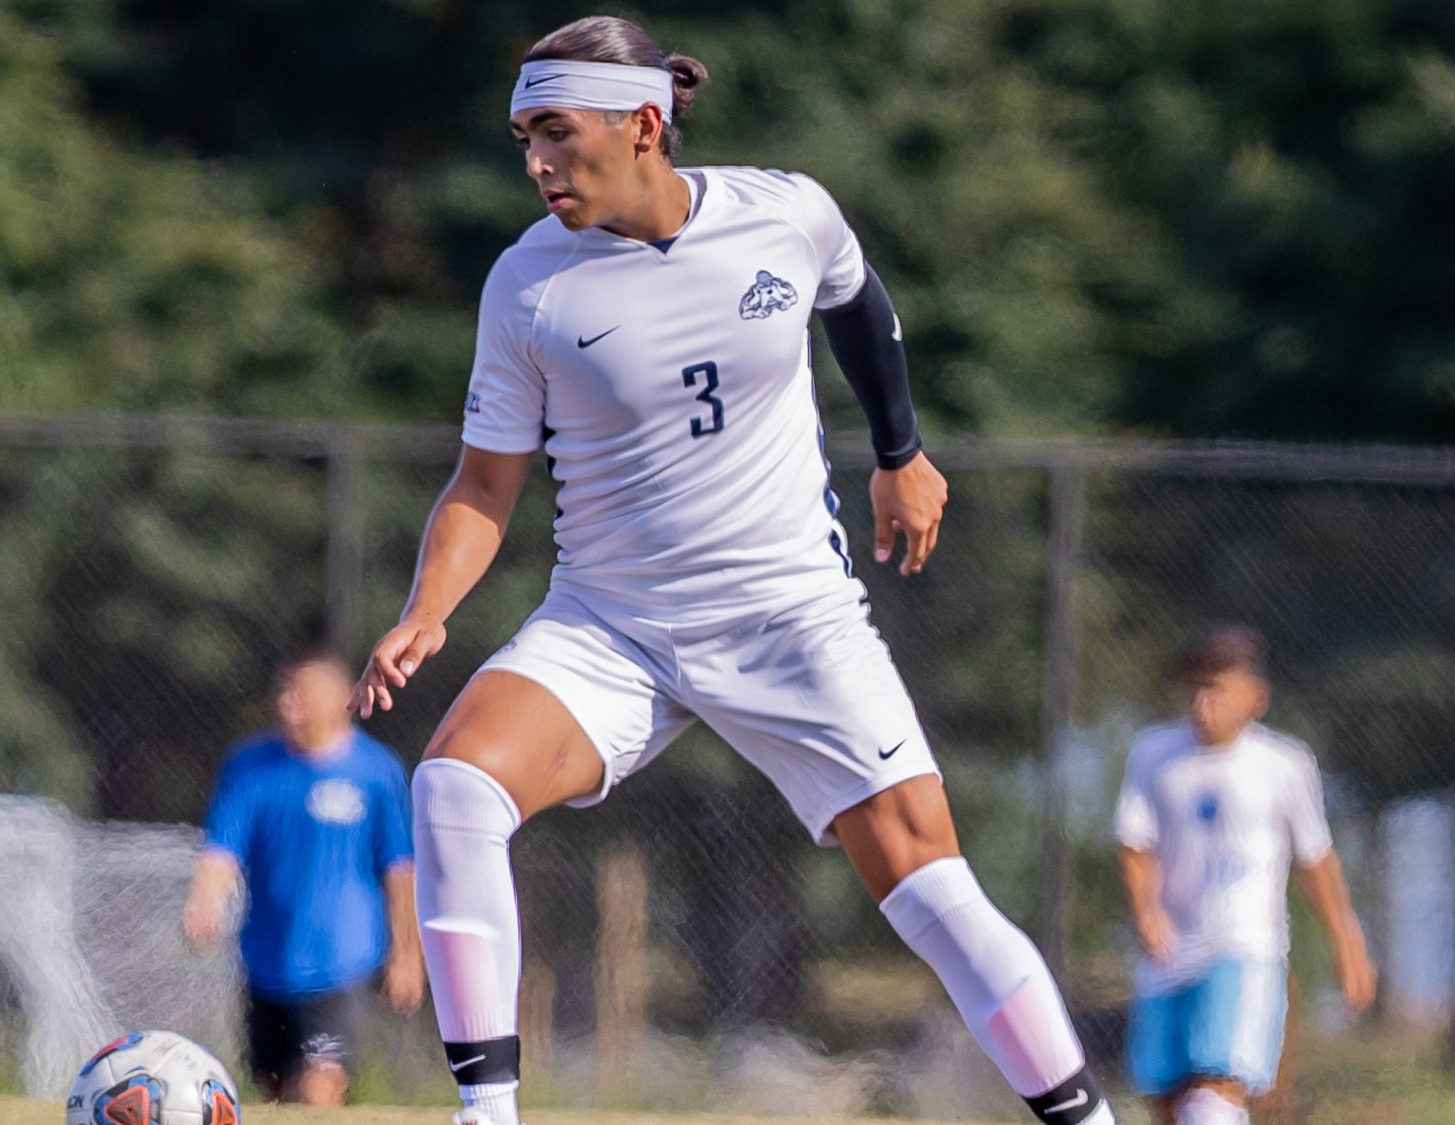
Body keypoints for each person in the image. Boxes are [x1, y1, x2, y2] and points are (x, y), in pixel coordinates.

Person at [347, 16, 1115, 1125]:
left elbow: (855, 301)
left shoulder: (784, 213)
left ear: (644, 124)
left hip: (788, 618)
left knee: (929, 884)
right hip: (610, 625)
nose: (534, 164)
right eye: (523, 139)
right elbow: (480, 486)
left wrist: (900, 455)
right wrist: (426, 612)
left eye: (555, 134)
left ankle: (1087, 1121)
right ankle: (487, 1117)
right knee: (454, 785)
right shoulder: (527, 285)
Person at [1116, 627, 1375, 1125]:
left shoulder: (1284, 764)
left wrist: (1348, 942)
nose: (1202, 704)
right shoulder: (1153, 754)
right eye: (1195, 689)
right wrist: (1146, 911)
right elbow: (1135, 844)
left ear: (1255, 697)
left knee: (1215, 1095)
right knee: (1167, 1104)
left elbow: (1314, 860)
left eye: (1217, 690)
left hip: (1243, 950)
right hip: (1168, 958)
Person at [183, 649, 423, 1106]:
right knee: (273, 1094)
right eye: (284, 693)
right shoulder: (249, 766)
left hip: (341, 961)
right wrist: (204, 903)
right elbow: (222, 850)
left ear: (341, 699)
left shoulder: (376, 771)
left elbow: (398, 869)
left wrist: (406, 954)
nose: (288, 704)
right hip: (265, 961)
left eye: (302, 695)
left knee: (319, 1088)